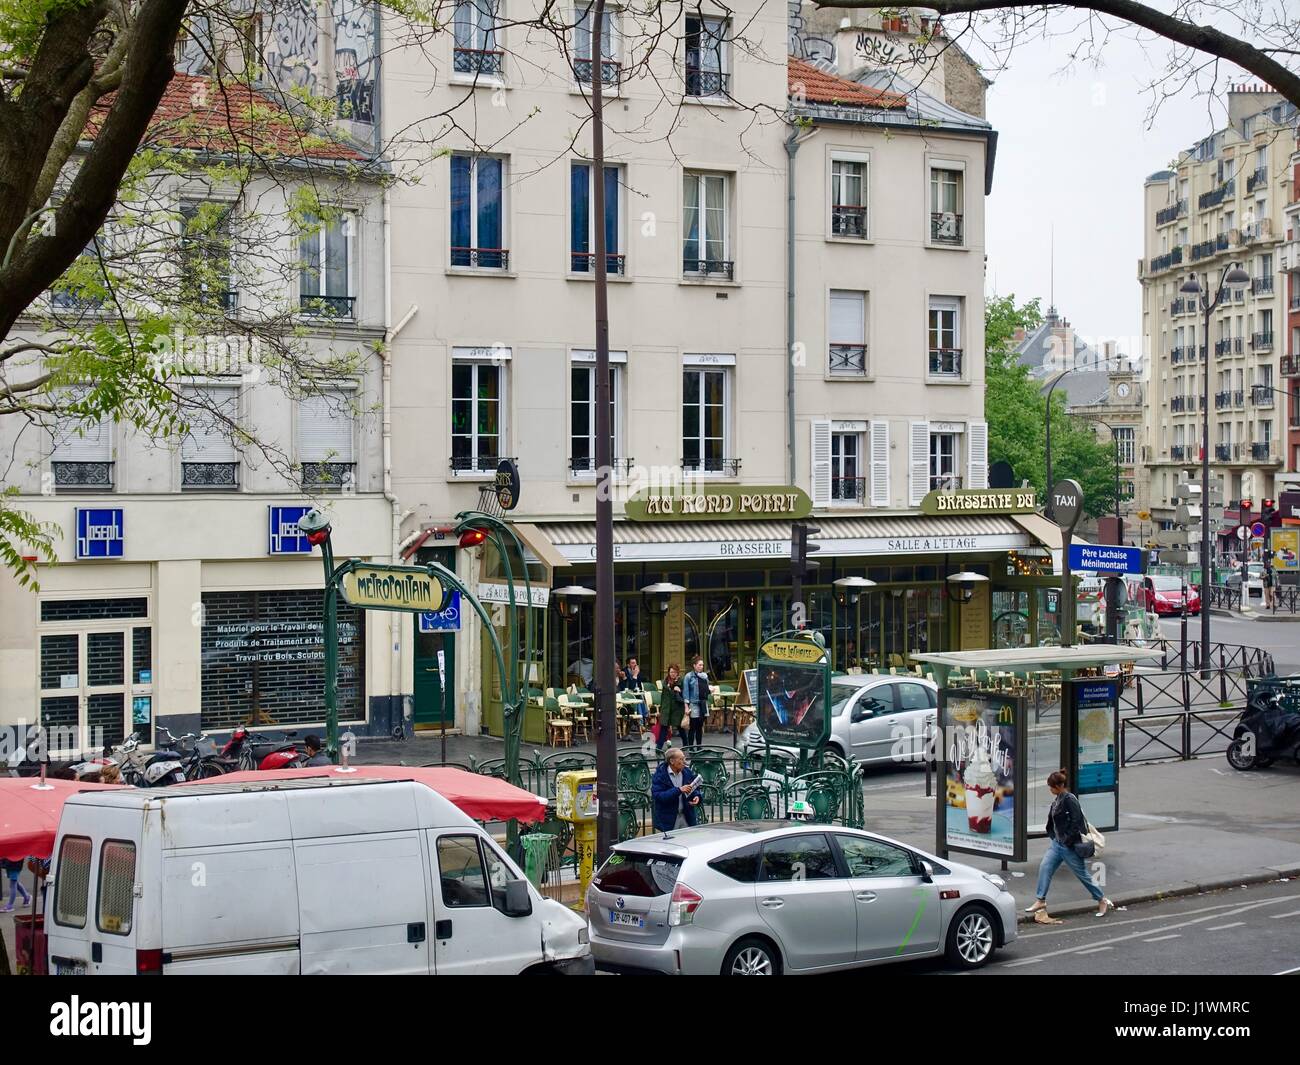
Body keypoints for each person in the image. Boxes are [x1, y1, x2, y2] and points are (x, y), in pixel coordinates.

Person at [1025, 770, 1115, 918]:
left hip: (1069, 846)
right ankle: (1040, 900)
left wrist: (1066, 840)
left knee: (1082, 875)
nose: (1050, 790)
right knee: (1045, 867)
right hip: (1057, 845)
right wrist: (1054, 836)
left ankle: (1101, 899)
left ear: (1060, 786)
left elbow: (1077, 821)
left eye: (1052, 787)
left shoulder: (1070, 799)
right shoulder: (1058, 799)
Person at [650, 747, 702, 832]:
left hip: (686, 817)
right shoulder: (660, 775)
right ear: (672, 761)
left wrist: (697, 796)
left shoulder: (687, 772)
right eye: (681, 759)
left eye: (684, 758)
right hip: (668, 821)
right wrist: (679, 790)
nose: (684, 762)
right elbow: (658, 796)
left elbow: (695, 788)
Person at [681, 657, 710, 747]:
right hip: (693, 704)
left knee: (699, 727)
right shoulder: (689, 676)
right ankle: (690, 747)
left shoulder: (705, 676)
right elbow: (685, 693)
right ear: (694, 665)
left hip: (702, 703)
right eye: (699, 665)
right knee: (692, 727)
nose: (701, 667)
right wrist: (686, 707)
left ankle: (699, 747)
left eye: (702, 665)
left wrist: (710, 690)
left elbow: (706, 689)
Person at [658, 664, 684, 750]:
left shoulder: (681, 682)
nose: (673, 674)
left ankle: (687, 746)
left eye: (675, 672)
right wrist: (662, 709)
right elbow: (663, 697)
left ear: (677, 673)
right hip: (666, 708)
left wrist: (679, 691)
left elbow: (685, 695)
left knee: (681, 728)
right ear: (669, 672)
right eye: (671, 672)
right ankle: (659, 748)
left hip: (677, 709)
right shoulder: (665, 682)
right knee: (663, 728)